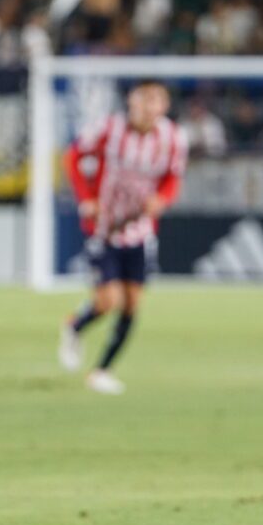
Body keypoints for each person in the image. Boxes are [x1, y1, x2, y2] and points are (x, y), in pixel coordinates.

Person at [58, 80, 186, 395]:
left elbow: (173, 178)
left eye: (157, 100)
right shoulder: (108, 130)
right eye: (144, 99)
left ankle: (102, 371)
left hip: (140, 230)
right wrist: (86, 198)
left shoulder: (173, 137)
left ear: (164, 106)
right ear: (131, 101)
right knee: (108, 300)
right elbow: (72, 158)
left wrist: (162, 200)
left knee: (132, 303)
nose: (149, 107)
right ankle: (74, 326)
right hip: (105, 227)